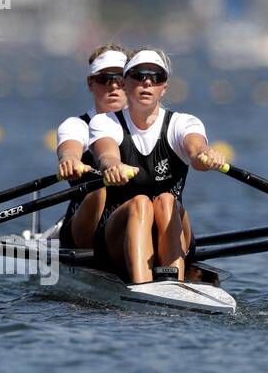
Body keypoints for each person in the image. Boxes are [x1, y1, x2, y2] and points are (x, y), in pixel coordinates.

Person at [86, 48, 226, 284]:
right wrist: (112, 165)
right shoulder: (105, 123)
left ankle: (174, 287)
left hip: (172, 228)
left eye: (156, 76)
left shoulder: (183, 123)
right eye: (139, 75)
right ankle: (143, 286)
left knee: (166, 200)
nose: (147, 82)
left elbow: (196, 150)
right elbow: (106, 153)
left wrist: (204, 155)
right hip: (115, 239)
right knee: (141, 203)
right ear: (125, 83)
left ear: (164, 88)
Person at [52, 44, 130, 249]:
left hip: (133, 221)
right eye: (105, 79)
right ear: (91, 82)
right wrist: (69, 160)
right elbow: (70, 148)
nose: (113, 86)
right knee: (100, 188)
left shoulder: (146, 128)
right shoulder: (76, 125)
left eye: (121, 79)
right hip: (85, 233)